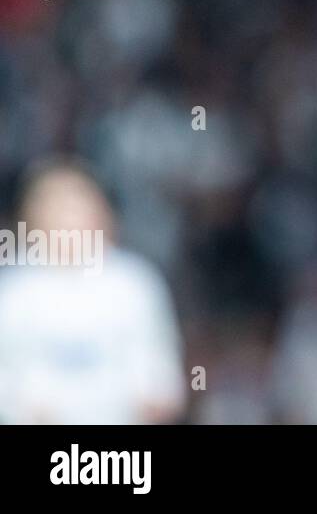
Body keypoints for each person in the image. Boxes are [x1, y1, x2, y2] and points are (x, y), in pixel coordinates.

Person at [0, 158, 185, 424]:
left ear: (101, 211)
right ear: (30, 215)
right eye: (56, 205)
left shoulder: (136, 283)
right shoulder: (11, 290)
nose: (68, 218)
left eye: (77, 203)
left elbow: (161, 377)